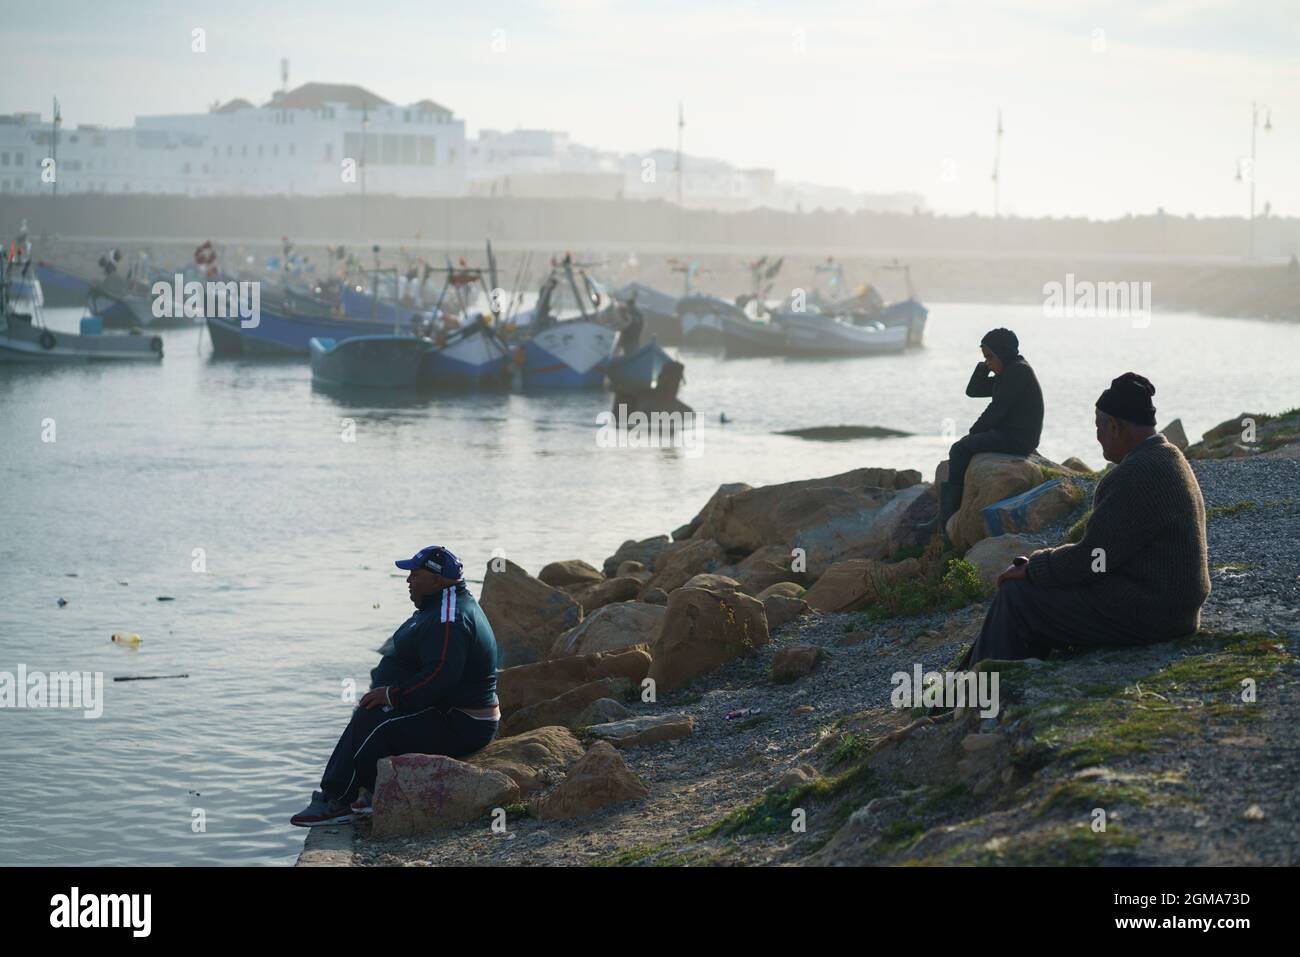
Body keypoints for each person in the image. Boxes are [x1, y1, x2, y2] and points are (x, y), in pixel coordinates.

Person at [960, 373, 1210, 667]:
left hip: (1152, 613)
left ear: (1114, 426)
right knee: (1032, 591)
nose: (1097, 437)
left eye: (1098, 427)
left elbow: (1093, 558)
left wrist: (1036, 567)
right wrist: (1042, 570)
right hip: (1169, 605)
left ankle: (975, 698)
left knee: (1016, 596)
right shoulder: (1169, 457)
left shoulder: (1138, 473)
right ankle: (964, 694)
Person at [290, 545, 501, 826]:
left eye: (414, 574)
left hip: (463, 722)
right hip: (446, 709)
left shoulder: (449, 618)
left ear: (436, 579)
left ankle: (337, 800)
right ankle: (368, 791)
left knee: (373, 721)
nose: (408, 581)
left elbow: (441, 675)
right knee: (373, 711)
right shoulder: (439, 605)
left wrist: (393, 695)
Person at [941, 328, 1045, 526]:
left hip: (1018, 439)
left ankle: (948, 517)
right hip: (1008, 433)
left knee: (959, 449)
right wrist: (984, 367)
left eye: (990, 356)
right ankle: (948, 514)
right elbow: (973, 391)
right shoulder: (1009, 371)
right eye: (985, 357)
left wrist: (970, 436)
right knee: (965, 447)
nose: (988, 361)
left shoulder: (1018, 372)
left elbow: (996, 410)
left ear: (1003, 353)